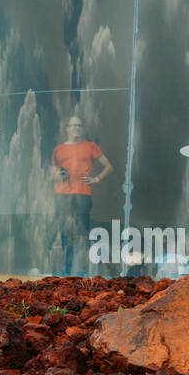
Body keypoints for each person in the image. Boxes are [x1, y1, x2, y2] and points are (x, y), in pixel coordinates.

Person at [50, 115, 113, 276]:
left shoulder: (90, 146)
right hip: (62, 194)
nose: (77, 128)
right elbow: (53, 174)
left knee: (82, 232)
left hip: (82, 193)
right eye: (74, 125)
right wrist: (59, 176)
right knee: (65, 232)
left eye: (79, 126)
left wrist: (96, 179)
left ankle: (81, 269)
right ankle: (66, 268)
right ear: (67, 128)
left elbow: (108, 166)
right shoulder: (59, 149)